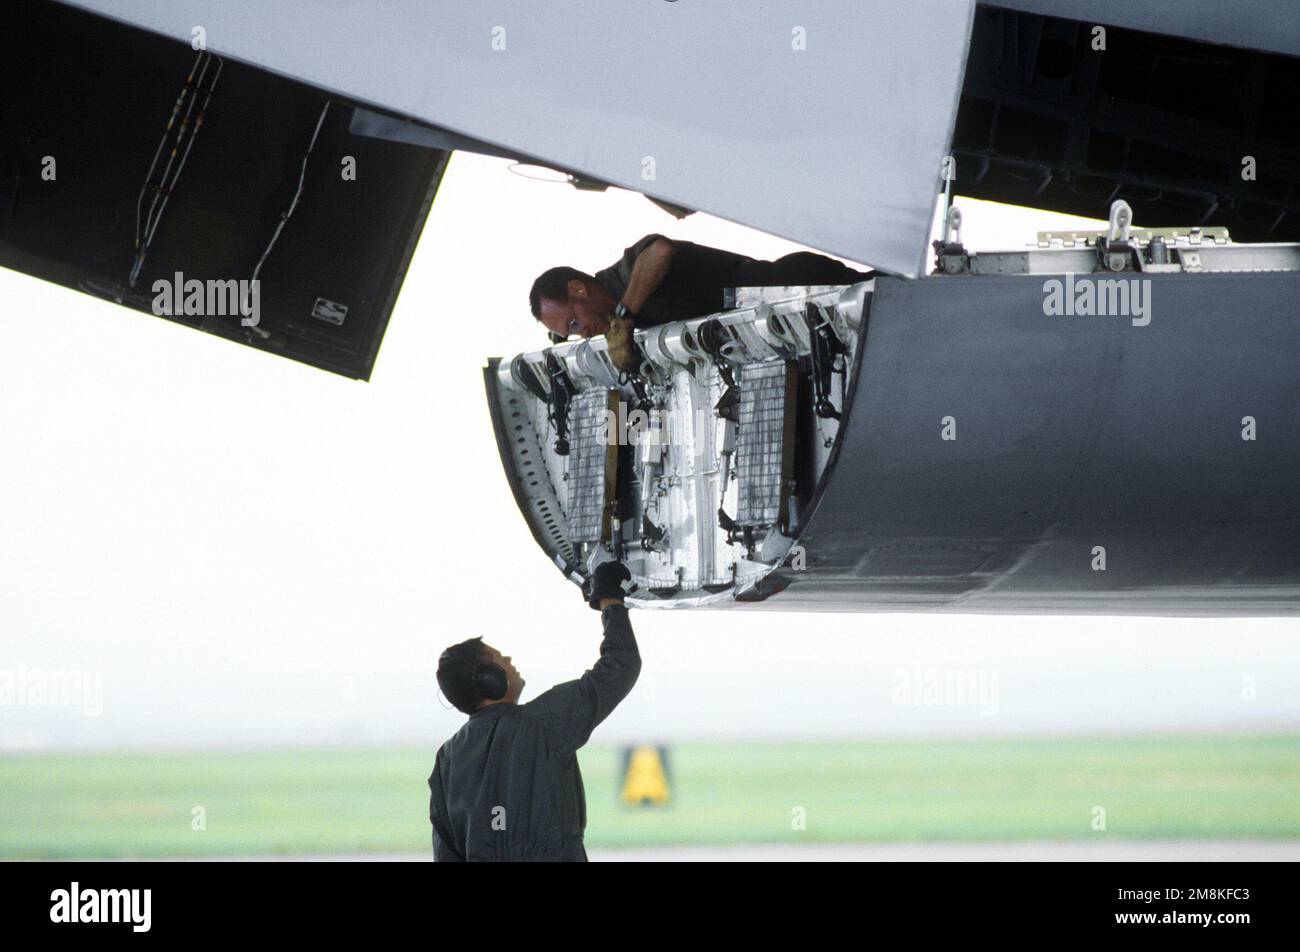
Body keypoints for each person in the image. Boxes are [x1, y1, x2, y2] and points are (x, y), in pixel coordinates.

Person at [427, 562, 640, 861]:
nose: (509, 659)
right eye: (500, 658)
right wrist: (609, 600)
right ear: (489, 679)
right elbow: (620, 666)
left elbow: (446, 852)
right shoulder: (542, 724)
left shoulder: (447, 759)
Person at [529, 233, 872, 369]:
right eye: (572, 333)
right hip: (793, 325)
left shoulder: (628, 272)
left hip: (803, 289)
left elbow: (661, 251)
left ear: (578, 289)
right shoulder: (625, 329)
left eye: (574, 323)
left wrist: (625, 315)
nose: (583, 333)